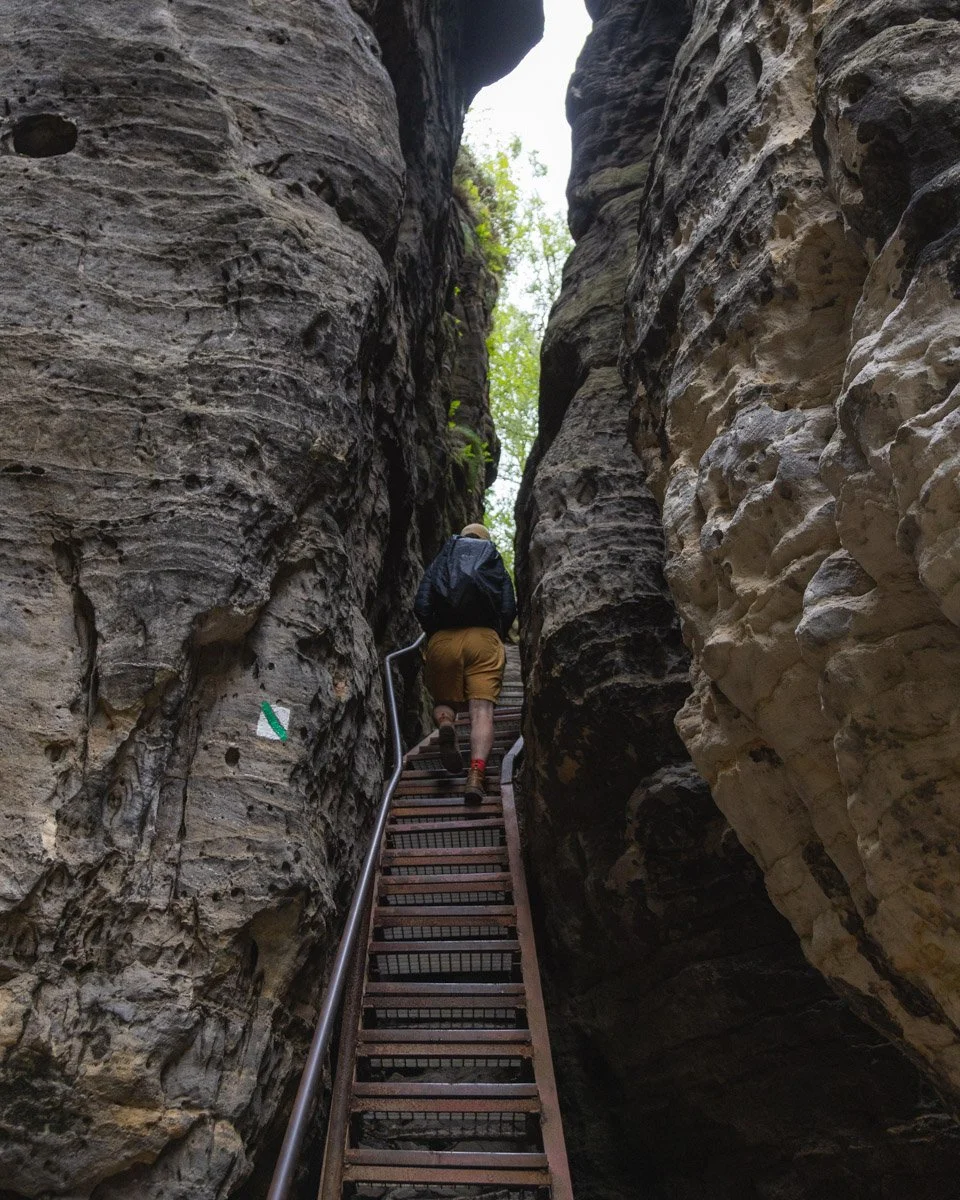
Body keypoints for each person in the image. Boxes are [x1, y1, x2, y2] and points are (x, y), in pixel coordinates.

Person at [414, 523, 516, 803]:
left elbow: (421, 604)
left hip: (444, 640)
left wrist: (437, 631)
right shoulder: (492, 558)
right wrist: (496, 632)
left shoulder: (444, 557)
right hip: (483, 639)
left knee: (444, 701)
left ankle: (446, 724)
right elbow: (508, 606)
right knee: (482, 711)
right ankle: (476, 775)